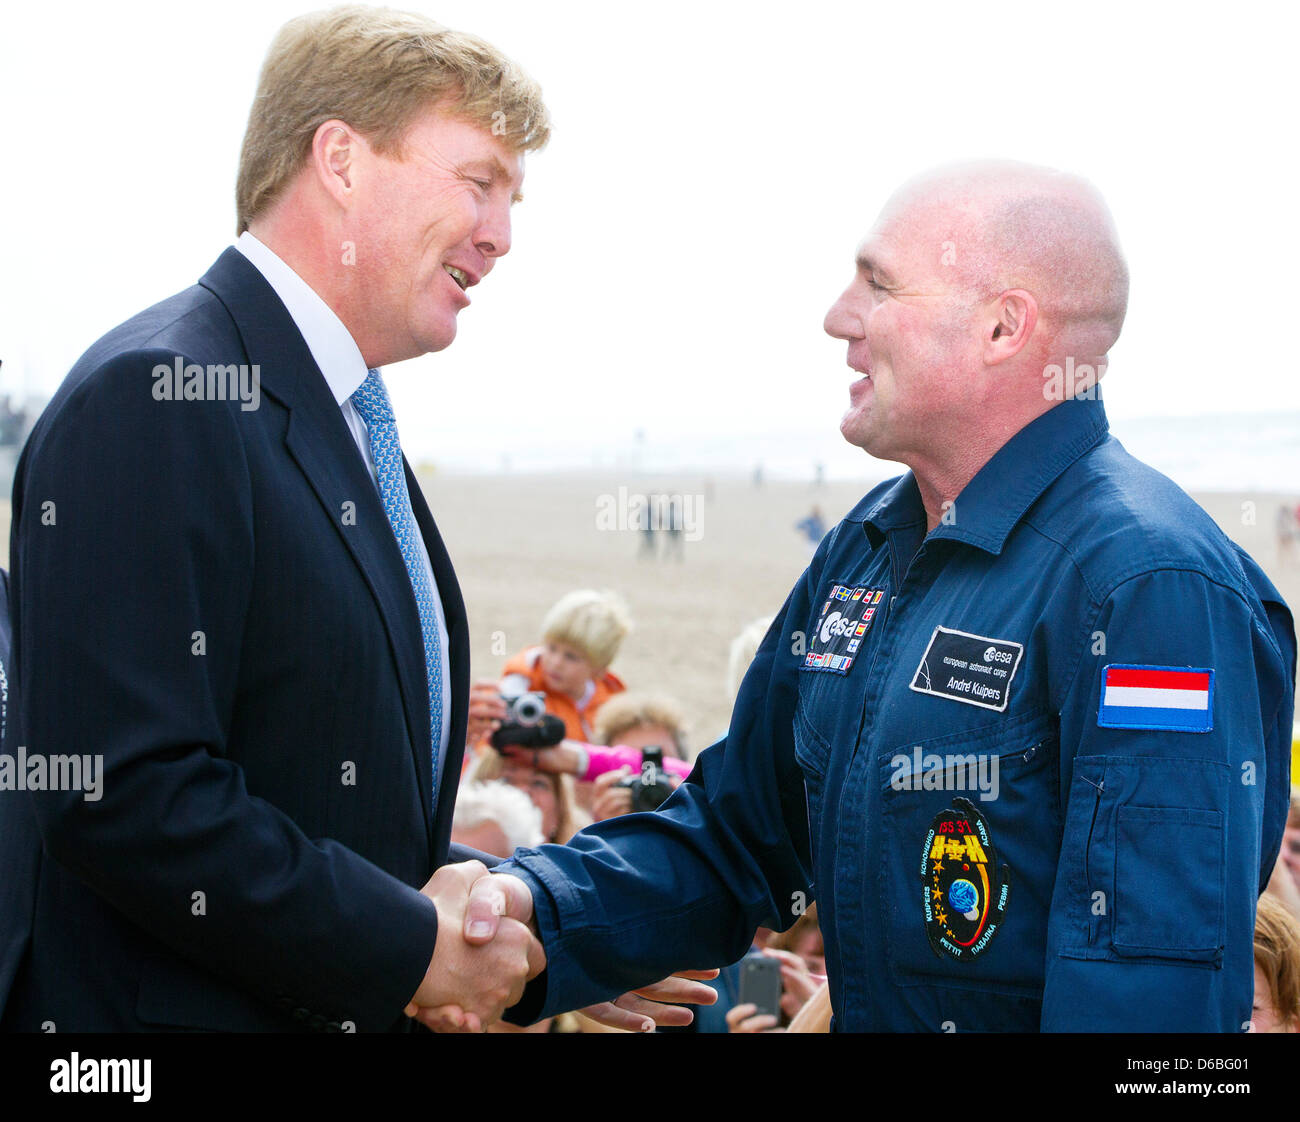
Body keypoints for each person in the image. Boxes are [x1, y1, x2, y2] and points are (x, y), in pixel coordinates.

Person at [432, 160, 1296, 1033]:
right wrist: (529, 910)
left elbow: (1149, 1001)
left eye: (878, 285)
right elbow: (736, 837)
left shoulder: (1148, 590)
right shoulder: (871, 547)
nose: (838, 318)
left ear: (1004, 327)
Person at [0, 6, 705, 1036]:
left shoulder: (345, 421)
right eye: (478, 182)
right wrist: (412, 952)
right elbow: (125, 797)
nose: (502, 236)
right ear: (340, 159)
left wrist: (532, 940)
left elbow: (345, 815)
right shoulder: (161, 395)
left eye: (512, 198)